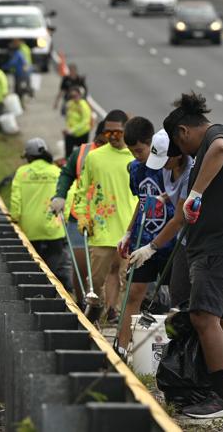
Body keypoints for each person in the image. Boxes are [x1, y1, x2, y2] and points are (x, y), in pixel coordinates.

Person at [162, 92, 223, 419]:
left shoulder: (217, 136)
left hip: (221, 248)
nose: (183, 156)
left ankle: (220, 398)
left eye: (180, 148)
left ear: (184, 132)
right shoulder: (205, 146)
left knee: (203, 317)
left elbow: (220, 149)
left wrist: (196, 193)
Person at [116, 119, 177, 352]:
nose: (137, 155)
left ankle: (174, 350)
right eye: (132, 151)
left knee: (177, 298)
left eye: (139, 150)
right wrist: (129, 232)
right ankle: (121, 348)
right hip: (143, 239)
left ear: (151, 143)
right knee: (133, 293)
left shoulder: (169, 164)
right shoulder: (135, 169)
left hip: (169, 241)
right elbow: (141, 202)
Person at [74, 109, 136, 323]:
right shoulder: (94, 158)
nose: (112, 136)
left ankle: (114, 312)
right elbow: (82, 190)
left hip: (129, 229)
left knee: (122, 277)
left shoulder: (136, 157)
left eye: (117, 132)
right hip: (100, 228)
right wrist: (82, 215)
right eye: (108, 132)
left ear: (126, 130)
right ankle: (95, 312)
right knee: (97, 279)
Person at [128, 129, 194, 309]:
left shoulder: (191, 173)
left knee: (183, 298)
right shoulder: (165, 168)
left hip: (185, 240)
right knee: (134, 293)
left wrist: (150, 248)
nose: (162, 166)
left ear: (177, 154)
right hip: (163, 236)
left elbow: (179, 219)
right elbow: (147, 199)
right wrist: (129, 233)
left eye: (165, 161)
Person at [50, 121, 107, 304]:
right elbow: (66, 174)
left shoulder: (125, 155)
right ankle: (82, 302)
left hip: (108, 218)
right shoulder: (82, 153)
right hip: (80, 215)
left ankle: (105, 308)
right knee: (80, 265)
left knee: (105, 268)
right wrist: (59, 195)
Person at [10, 137, 73, 292]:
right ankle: (53, 294)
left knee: (33, 266)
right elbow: (68, 196)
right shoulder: (57, 172)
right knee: (52, 268)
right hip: (54, 229)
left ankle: (34, 291)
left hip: (29, 229)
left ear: (29, 157)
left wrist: (15, 218)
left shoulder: (22, 173)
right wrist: (63, 216)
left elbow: (16, 199)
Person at [63, 86, 92, 158]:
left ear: (79, 95)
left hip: (82, 133)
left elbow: (86, 121)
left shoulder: (84, 105)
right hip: (71, 133)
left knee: (82, 155)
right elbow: (68, 118)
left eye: (75, 96)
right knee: (68, 154)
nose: (74, 98)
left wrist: (73, 129)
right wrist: (67, 128)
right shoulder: (70, 104)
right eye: (72, 96)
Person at [2, 39, 30, 105]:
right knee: (20, 88)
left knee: (18, 89)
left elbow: (12, 63)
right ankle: (21, 102)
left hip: (20, 74)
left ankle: (20, 103)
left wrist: (4, 67)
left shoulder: (17, 54)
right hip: (22, 73)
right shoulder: (21, 52)